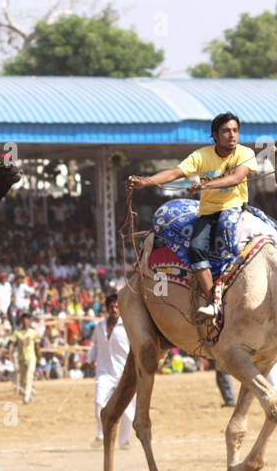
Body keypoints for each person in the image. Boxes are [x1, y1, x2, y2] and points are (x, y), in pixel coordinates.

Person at [128, 112, 257, 318]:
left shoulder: (245, 153)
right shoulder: (201, 156)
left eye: (235, 130)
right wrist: (146, 182)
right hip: (209, 213)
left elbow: (236, 178)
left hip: (236, 210)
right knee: (196, 249)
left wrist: (205, 184)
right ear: (215, 135)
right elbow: (173, 174)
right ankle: (214, 303)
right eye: (226, 131)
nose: (232, 135)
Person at [85, 293, 134, 448]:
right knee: (99, 402)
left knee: (128, 411)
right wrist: (88, 360)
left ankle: (124, 440)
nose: (113, 309)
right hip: (104, 372)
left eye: (116, 306)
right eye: (111, 306)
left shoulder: (128, 325)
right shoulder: (99, 326)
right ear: (106, 308)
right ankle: (101, 435)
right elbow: (96, 345)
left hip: (125, 374)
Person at [6, 314, 41, 404]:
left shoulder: (33, 332)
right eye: (24, 319)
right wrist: (9, 354)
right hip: (21, 358)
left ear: (29, 321)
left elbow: (37, 347)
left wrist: (38, 358)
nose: (26, 321)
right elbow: (11, 343)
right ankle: (28, 395)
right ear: (21, 321)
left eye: (27, 319)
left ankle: (26, 396)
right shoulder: (17, 332)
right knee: (22, 380)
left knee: (29, 376)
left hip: (31, 358)